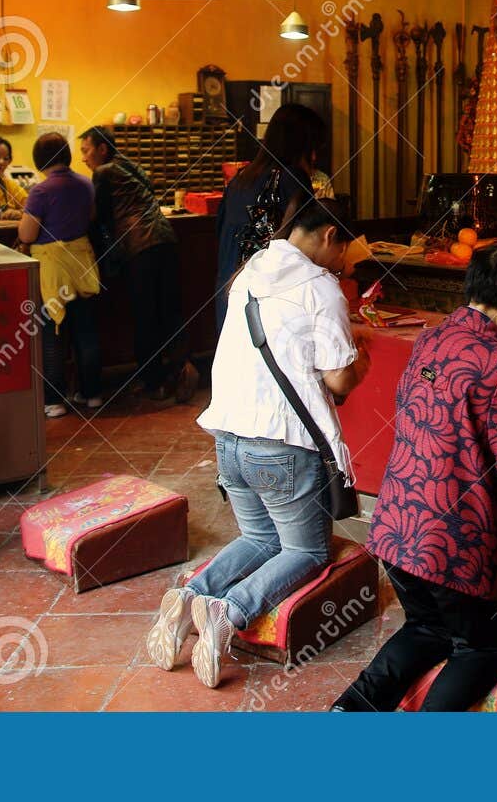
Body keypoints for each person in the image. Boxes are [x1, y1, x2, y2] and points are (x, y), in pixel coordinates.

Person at [145, 194, 370, 688]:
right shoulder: (321, 287)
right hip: (281, 445)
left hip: (228, 437)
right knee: (306, 552)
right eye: (344, 251)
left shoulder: (249, 273)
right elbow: (339, 380)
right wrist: (362, 358)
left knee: (259, 538)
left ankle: (189, 595)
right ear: (331, 235)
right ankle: (226, 612)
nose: (342, 263)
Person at [333, 241, 497, 712]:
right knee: (478, 648)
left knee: (426, 628)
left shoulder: (430, 339)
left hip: (397, 530)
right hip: (455, 549)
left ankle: (347, 712)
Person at [78, 125, 196, 402]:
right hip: (166, 239)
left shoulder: (103, 172)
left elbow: (99, 217)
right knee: (170, 311)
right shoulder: (131, 165)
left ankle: (153, 380)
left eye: (86, 150)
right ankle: (182, 369)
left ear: (102, 149)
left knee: (145, 315)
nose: (83, 157)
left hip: (140, 246)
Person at [214, 102, 328, 335]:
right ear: (303, 144)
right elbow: (305, 243)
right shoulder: (292, 179)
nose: (315, 157)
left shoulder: (240, 179)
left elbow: (221, 233)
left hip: (230, 287)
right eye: (314, 147)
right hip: (269, 295)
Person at [18, 132, 102, 418]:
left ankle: (54, 400)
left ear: (39, 159)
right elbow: (91, 217)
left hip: (53, 268)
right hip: (84, 263)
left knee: (52, 333)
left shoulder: (40, 191)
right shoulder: (85, 183)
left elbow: (26, 233)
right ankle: (92, 394)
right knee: (86, 331)